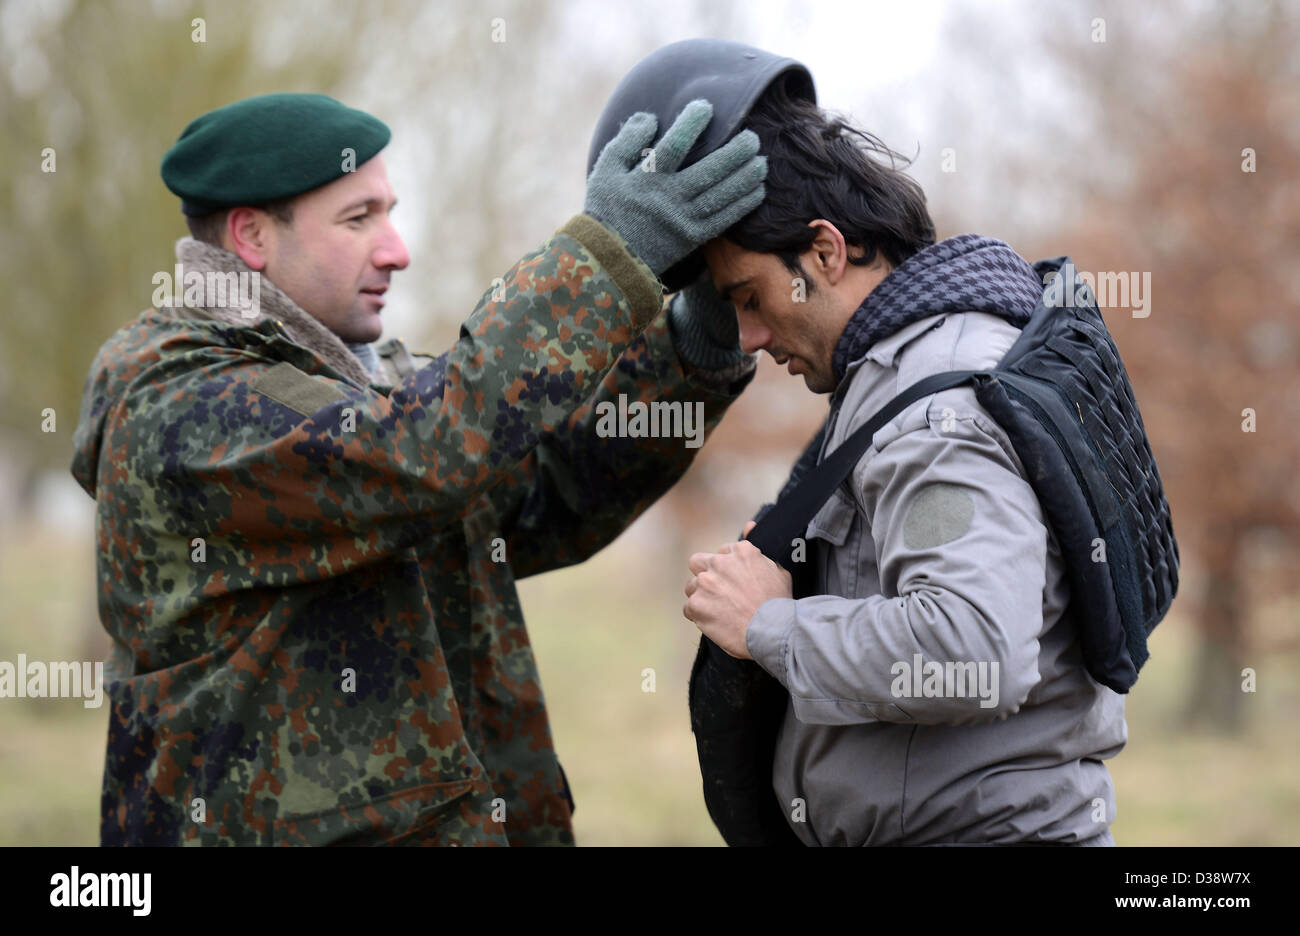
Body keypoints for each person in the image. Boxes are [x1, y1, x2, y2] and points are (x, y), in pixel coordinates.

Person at [71, 91, 765, 845]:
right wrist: (608, 254)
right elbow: (410, 457)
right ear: (250, 236)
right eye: (358, 218)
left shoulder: (364, 388)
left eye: (390, 212)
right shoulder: (176, 398)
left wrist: (692, 345)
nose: (397, 249)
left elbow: (550, 495)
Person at [682, 79, 1126, 846]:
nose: (749, 337)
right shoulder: (917, 366)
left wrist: (769, 623)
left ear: (824, 251)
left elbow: (973, 647)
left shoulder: (936, 412)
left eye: (750, 297)